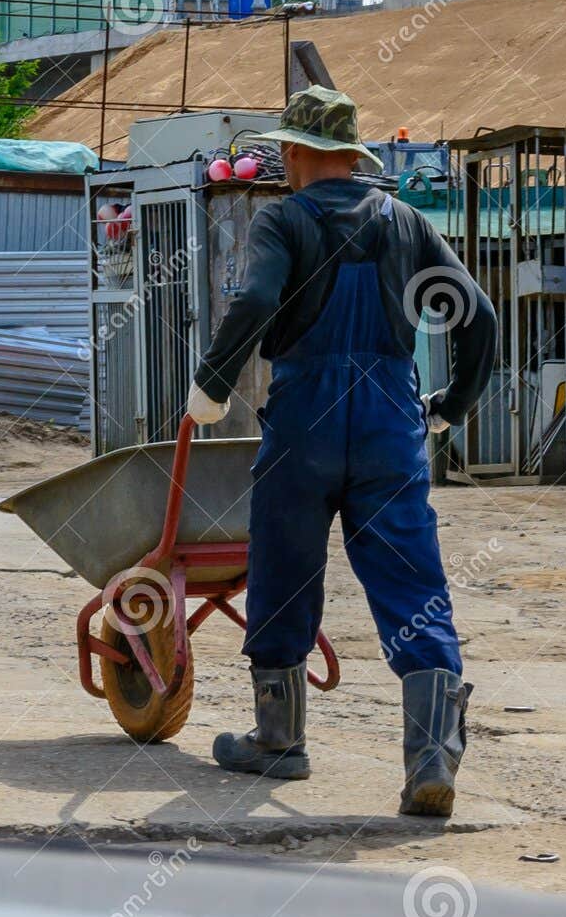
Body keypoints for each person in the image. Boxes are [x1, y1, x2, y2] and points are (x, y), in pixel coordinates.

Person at [185, 86, 496, 817]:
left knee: (285, 568)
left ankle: (279, 741)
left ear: (294, 154)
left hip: (306, 422)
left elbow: (257, 301)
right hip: (391, 418)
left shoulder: (281, 221)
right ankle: (432, 758)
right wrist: (450, 407)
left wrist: (212, 384)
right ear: (351, 156)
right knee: (412, 585)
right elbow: (476, 317)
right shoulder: (407, 221)